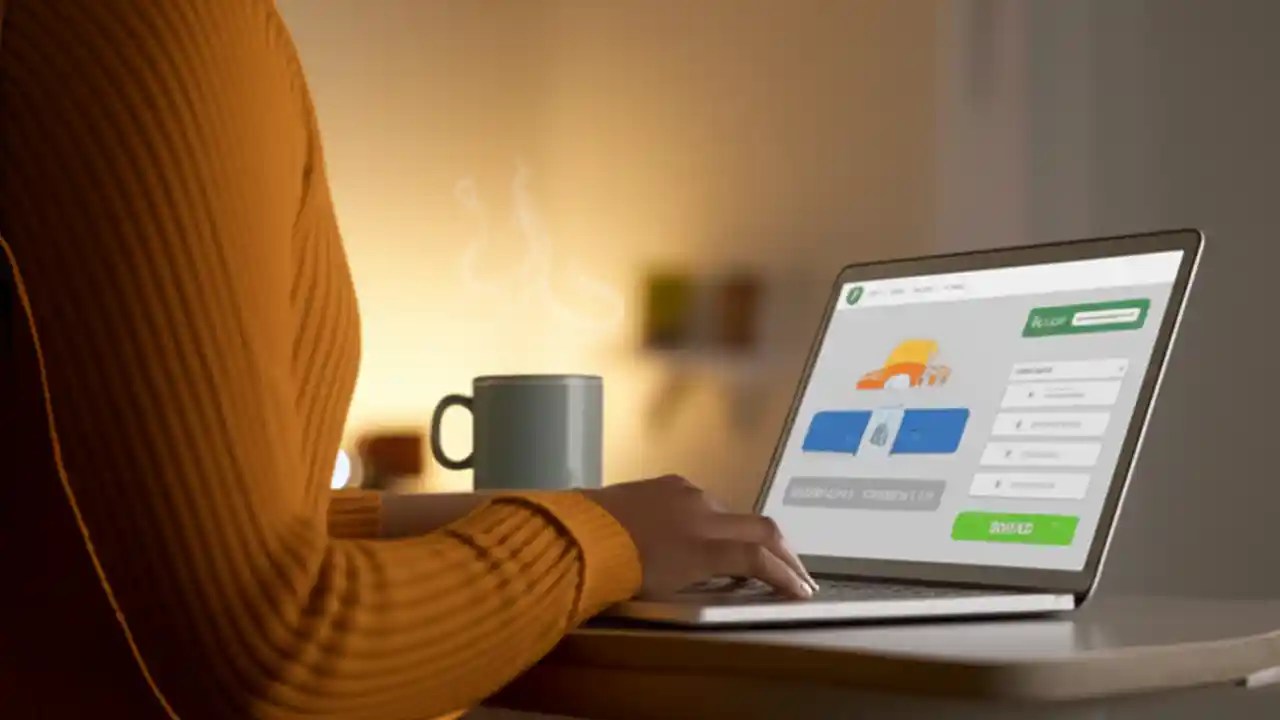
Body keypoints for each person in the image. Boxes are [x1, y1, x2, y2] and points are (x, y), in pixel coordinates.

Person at [0, 1, 815, 717]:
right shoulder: (153, 21)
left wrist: (476, 515)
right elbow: (273, 658)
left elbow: (85, 545)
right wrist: (601, 540)